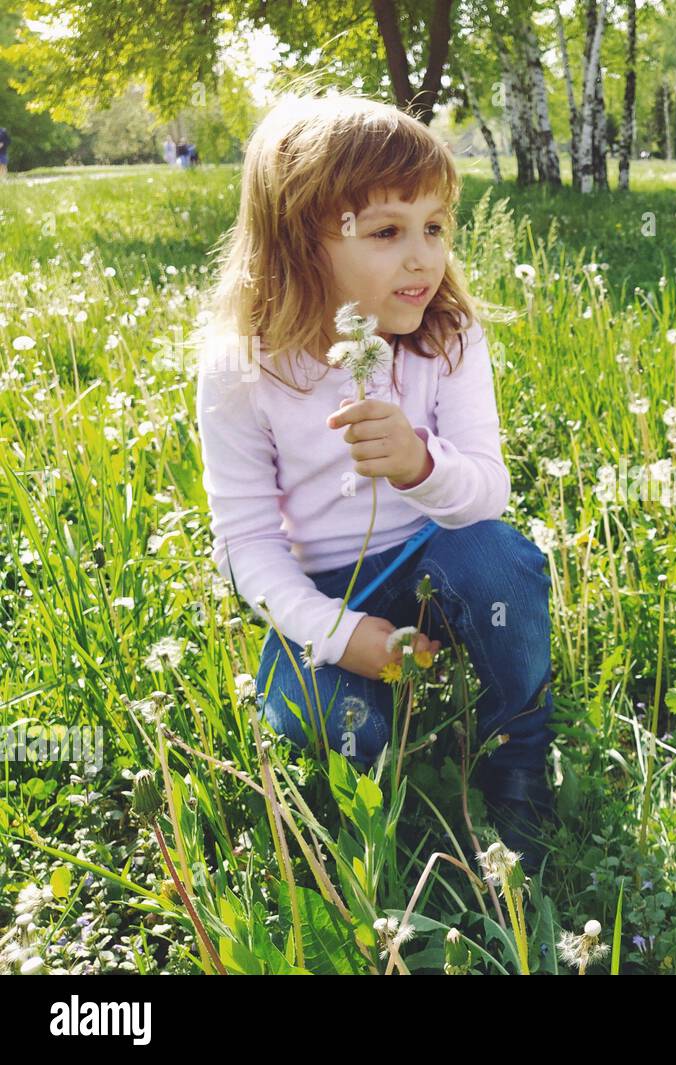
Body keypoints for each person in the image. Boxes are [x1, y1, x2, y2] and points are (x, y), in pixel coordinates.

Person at [195, 93, 558, 868]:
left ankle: (518, 755)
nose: (423, 256)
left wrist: (421, 465)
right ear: (299, 241)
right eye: (387, 231)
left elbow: (487, 491)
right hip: (324, 587)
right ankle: (384, 751)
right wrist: (335, 633)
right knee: (335, 725)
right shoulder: (241, 368)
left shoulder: (447, 340)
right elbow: (246, 543)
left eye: (435, 226)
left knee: (503, 561)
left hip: (438, 561)